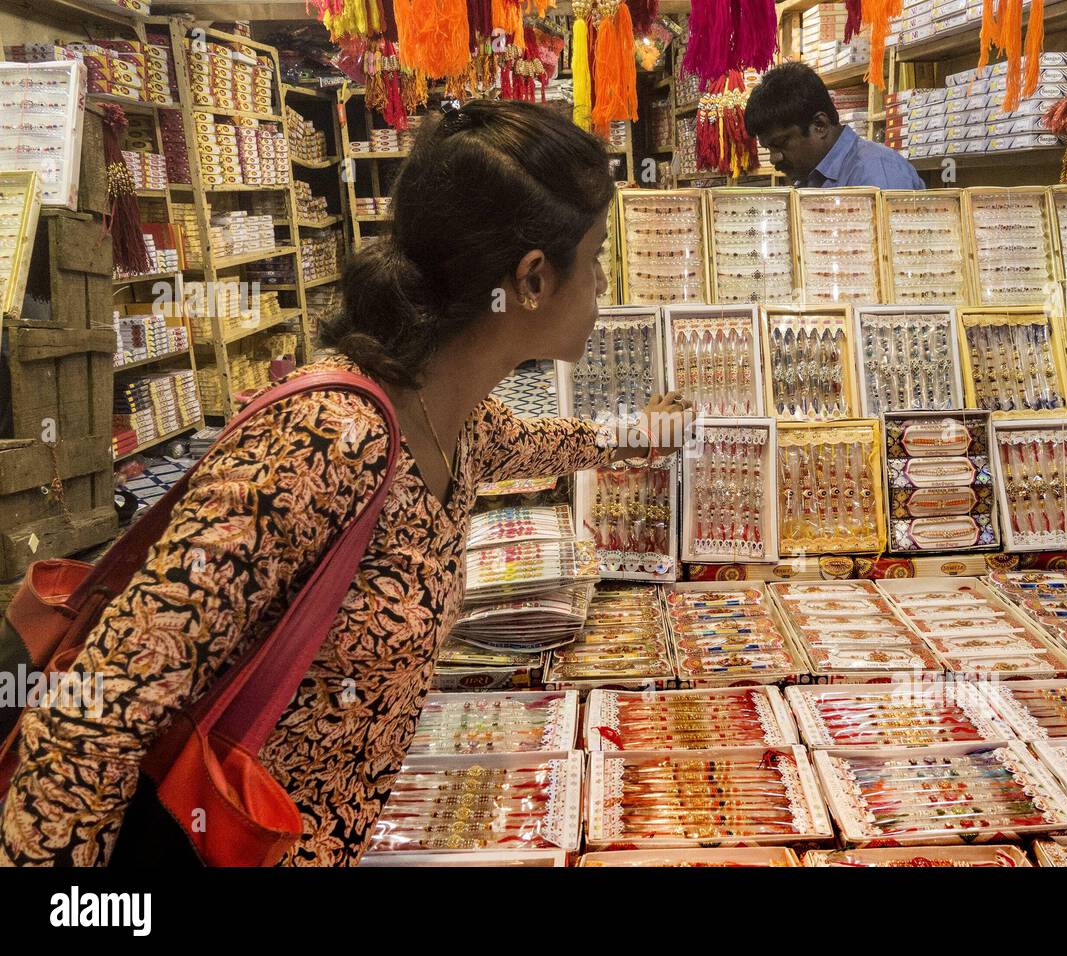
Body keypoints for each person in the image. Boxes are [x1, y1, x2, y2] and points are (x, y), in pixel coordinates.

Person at [0, 100, 692, 867]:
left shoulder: (449, 414)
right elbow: (92, 713)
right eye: (593, 257)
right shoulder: (324, 441)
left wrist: (643, 435)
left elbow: (543, 443)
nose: (601, 282)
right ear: (531, 279)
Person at [745, 61, 924, 190]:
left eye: (781, 144)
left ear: (820, 125)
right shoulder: (811, 177)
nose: (774, 159)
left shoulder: (876, 172)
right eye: (768, 149)